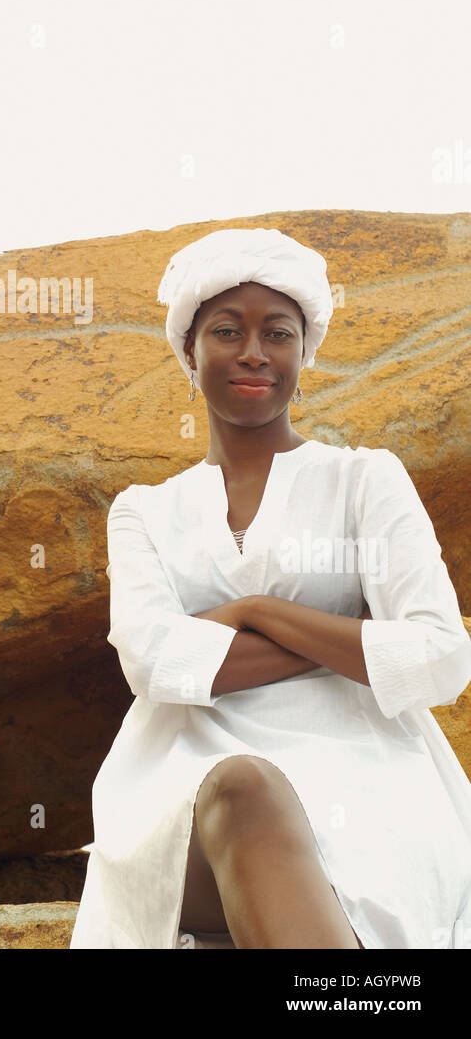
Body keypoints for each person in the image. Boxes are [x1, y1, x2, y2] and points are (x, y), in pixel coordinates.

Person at [69, 227, 471, 949]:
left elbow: (440, 658)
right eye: (227, 330)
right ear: (188, 352)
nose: (253, 352)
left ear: (302, 352)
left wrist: (256, 612)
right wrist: (350, 642)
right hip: (187, 792)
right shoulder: (143, 510)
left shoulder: (362, 480)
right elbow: (154, 665)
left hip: (373, 793)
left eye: (277, 332)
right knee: (243, 787)